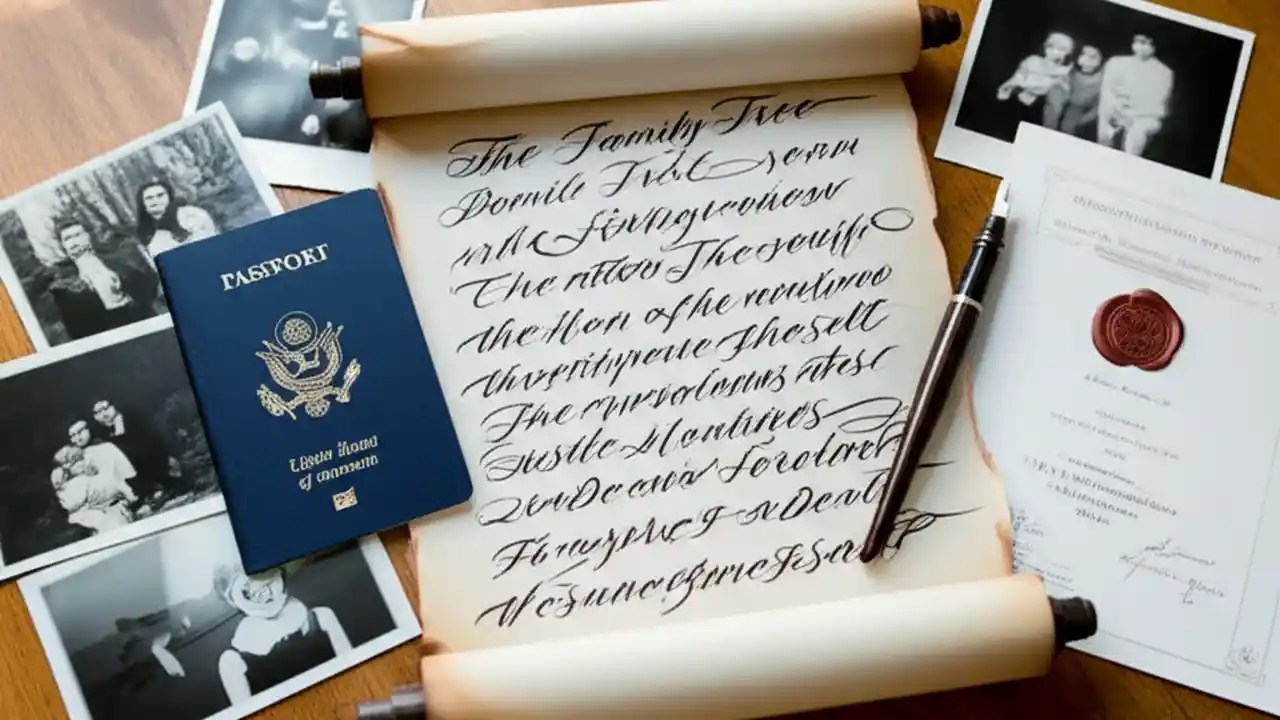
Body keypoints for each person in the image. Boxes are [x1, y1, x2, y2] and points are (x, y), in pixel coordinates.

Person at [214, 564, 352, 703]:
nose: (258, 586)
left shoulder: (323, 617)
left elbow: (354, 678)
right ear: (231, 599)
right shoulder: (232, 662)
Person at [44, 219, 160, 340]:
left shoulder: (117, 262)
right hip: (109, 336)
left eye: (78, 235)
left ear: (88, 236)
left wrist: (123, 283)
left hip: (141, 321)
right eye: (67, 238)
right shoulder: (63, 286)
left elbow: (149, 290)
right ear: (63, 245)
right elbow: (77, 331)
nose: (74, 242)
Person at [92, 399, 183, 505]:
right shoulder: (102, 433)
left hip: (151, 458)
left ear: (114, 407)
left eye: (105, 408)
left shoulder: (131, 419)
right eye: (99, 412)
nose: (104, 414)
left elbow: (149, 441)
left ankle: (162, 486)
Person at [1097, 33, 1174, 157]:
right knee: (1105, 116)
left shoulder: (1164, 72)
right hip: (1115, 111)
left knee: (1137, 131)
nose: (1143, 47)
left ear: (1154, 46)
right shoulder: (1116, 62)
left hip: (1144, 116)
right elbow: (1107, 90)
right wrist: (1116, 110)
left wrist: (1131, 115)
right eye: (1140, 42)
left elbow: (1158, 106)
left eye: (1149, 43)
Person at [50, 438, 136, 534]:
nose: (78, 464)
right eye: (69, 461)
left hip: (109, 505)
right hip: (88, 514)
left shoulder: (94, 457)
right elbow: (71, 500)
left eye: (78, 460)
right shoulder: (69, 481)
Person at [134, 180, 219, 260]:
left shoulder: (191, 215)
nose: (155, 200)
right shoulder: (152, 239)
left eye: (160, 195)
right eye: (149, 198)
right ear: (143, 204)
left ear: (169, 197)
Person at [997, 31, 1075, 109]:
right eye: (1050, 47)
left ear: (1068, 52)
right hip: (1017, 95)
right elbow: (1019, 76)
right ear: (1045, 46)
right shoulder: (1032, 60)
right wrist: (1011, 85)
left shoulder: (1065, 71)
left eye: (1061, 49)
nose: (1054, 52)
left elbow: (1066, 91)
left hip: (1040, 104)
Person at [1049, 45, 1106, 139]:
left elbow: (1100, 107)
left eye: (1092, 57)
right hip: (1066, 109)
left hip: (1083, 115)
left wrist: (1083, 121)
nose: (1085, 59)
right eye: (1083, 54)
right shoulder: (1069, 71)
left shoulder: (1104, 80)